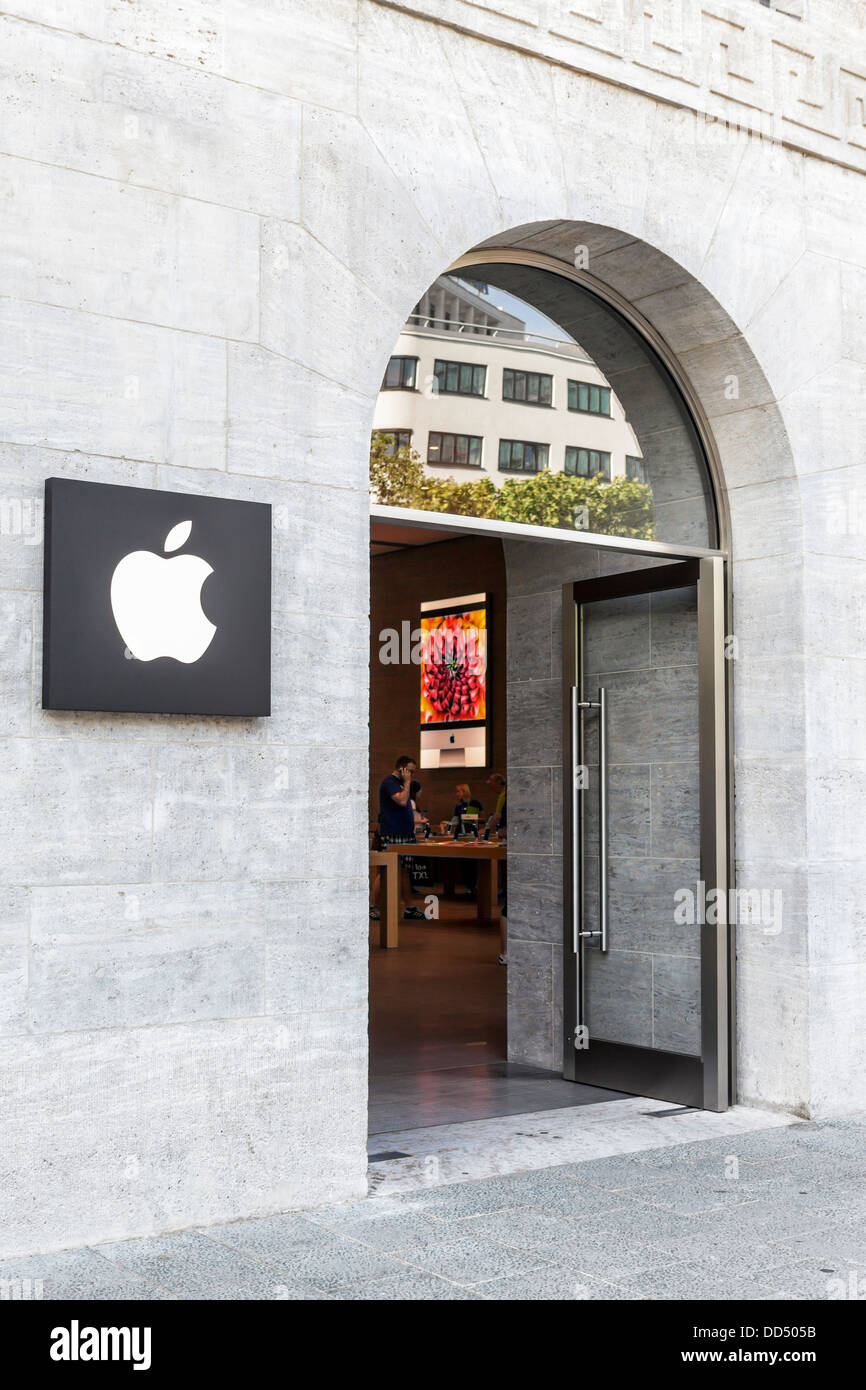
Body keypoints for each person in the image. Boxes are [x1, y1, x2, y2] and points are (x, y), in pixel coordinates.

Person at [374, 755, 425, 921]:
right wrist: (408, 782)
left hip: (406, 834)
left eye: (413, 773)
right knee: (385, 870)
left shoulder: (402, 783)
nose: (412, 775)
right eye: (410, 771)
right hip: (392, 833)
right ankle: (373, 906)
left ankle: (409, 907)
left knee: (404, 871)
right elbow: (402, 801)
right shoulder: (390, 782)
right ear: (401, 769)